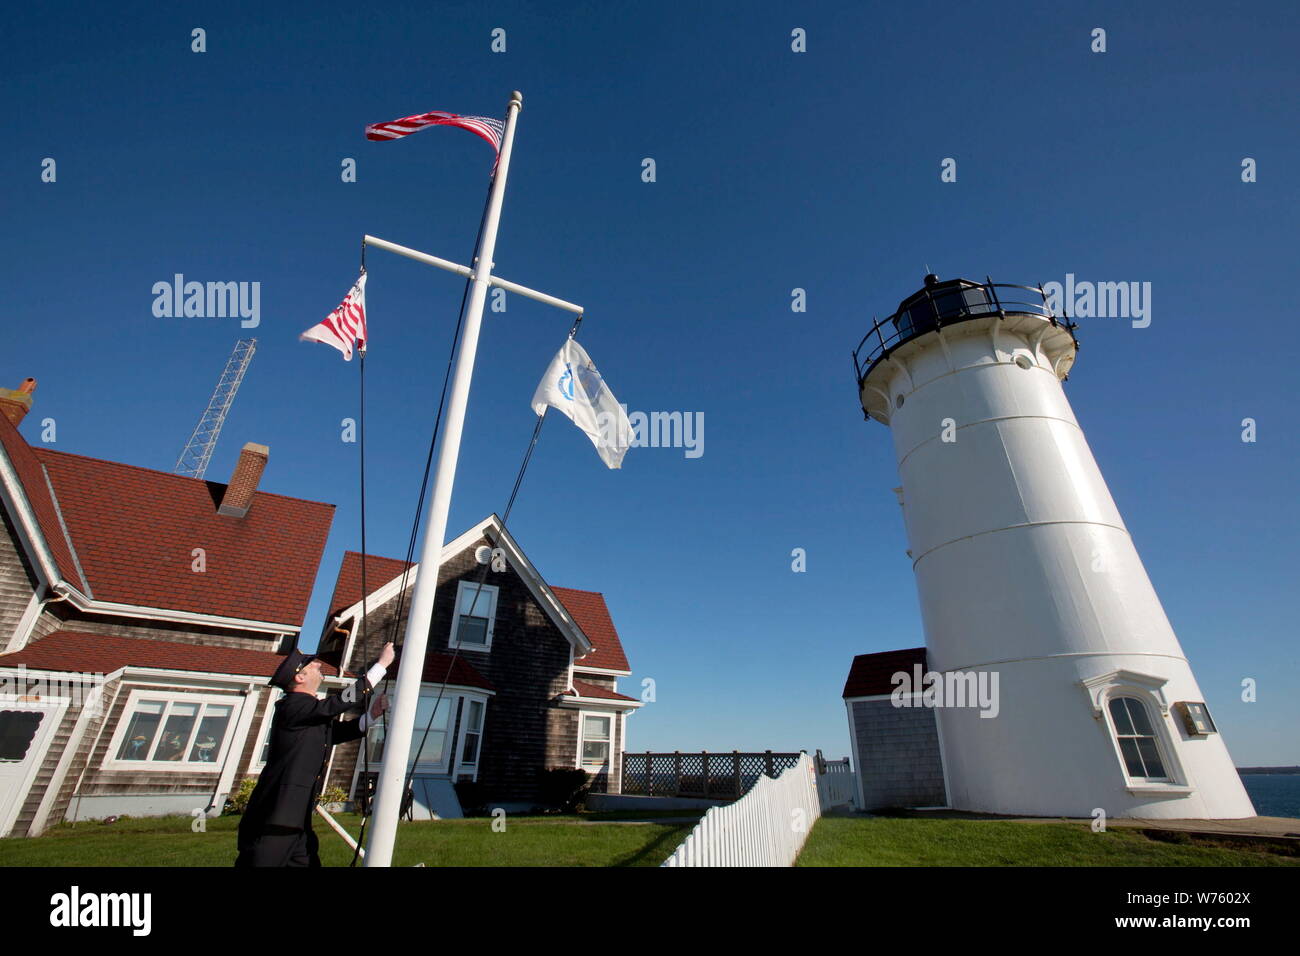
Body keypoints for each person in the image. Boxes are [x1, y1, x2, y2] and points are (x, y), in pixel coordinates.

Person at [235, 639, 395, 867]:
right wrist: (381, 665)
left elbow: (334, 733)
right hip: (276, 819)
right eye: (312, 665)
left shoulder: (307, 713)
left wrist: (371, 716)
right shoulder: (293, 706)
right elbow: (339, 702)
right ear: (299, 678)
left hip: (295, 819)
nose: (319, 666)